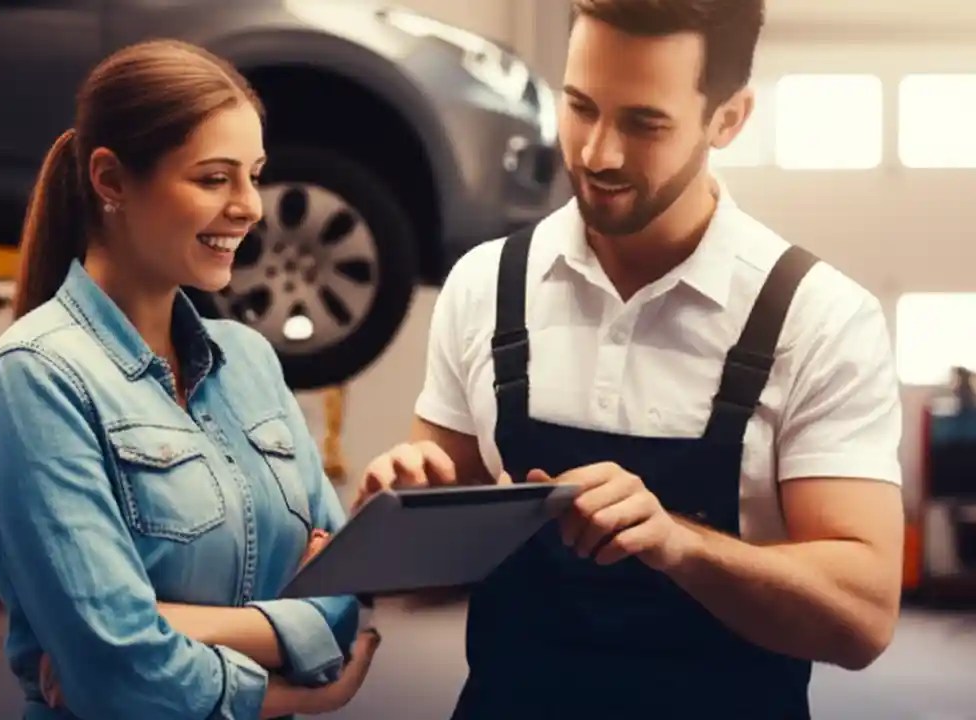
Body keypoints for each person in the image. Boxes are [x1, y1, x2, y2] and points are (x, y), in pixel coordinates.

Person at [355, 1, 905, 717]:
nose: (597, 154)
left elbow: (862, 618)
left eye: (645, 123)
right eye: (581, 107)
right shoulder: (484, 286)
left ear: (728, 119)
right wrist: (393, 519)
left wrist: (681, 545)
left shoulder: (819, 319)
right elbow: (424, 571)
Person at [0, 38, 379, 720]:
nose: (251, 206)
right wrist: (291, 688)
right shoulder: (36, 377)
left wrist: (166, 624)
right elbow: (119, 669)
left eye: (254, 175)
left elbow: (343, 600)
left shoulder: (250, 359)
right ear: (111, 180)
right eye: (214, 179)